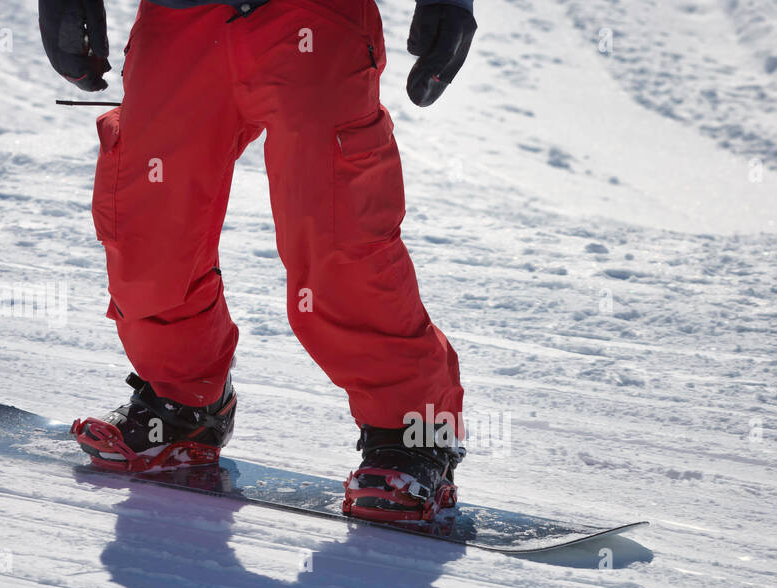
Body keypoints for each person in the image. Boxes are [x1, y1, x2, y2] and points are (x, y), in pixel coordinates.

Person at [37, 0, 477, 520]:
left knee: (338, 235)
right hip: (180, 16)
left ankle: (415, 437)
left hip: (314, 14)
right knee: (146, 225)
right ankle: (185, 403)